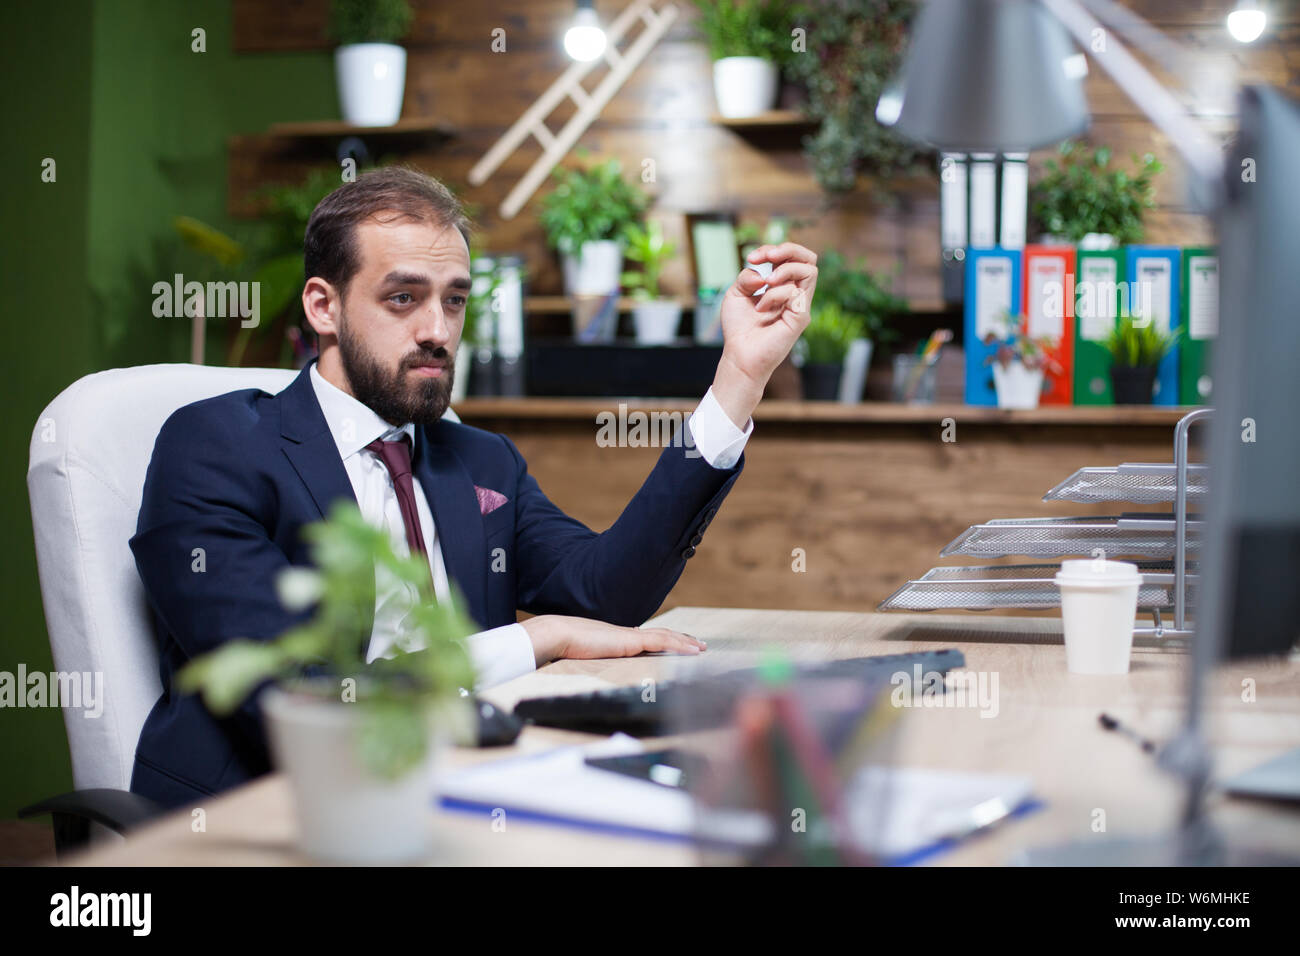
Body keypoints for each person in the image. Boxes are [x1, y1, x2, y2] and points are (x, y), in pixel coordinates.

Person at [129, 166, 818, 807]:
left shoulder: (481, 461)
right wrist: (535, 640)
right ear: (323, 307)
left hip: (466, 785)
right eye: (403, 298)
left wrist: (739, 377)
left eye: (454, 300)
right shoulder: (215, 447)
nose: (437, 332)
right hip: (272, 812)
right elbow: (297, 700)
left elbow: (606, 596)